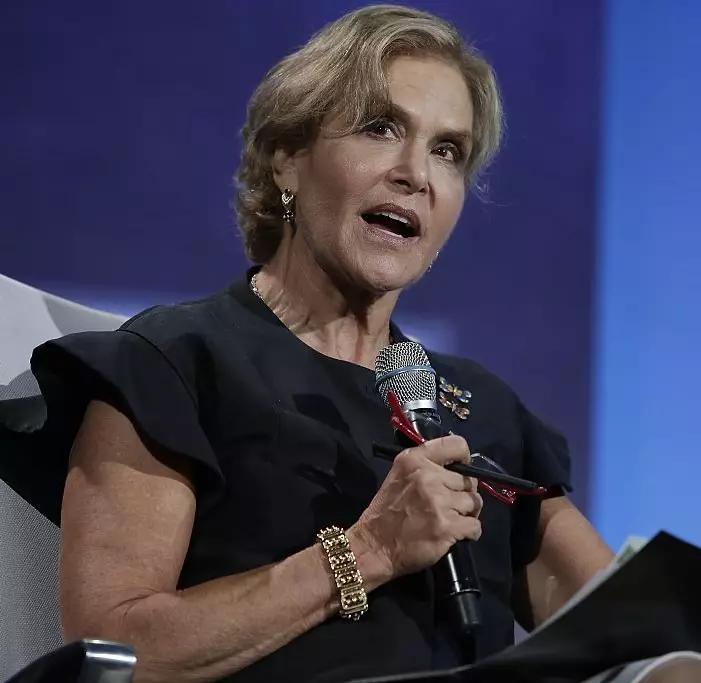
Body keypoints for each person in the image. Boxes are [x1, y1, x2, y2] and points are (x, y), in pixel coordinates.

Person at [28, 5, 615, 683]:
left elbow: (631, 632)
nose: (414, 173)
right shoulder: (176, 363)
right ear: (287, 158)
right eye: (379, 127)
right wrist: (366, 551)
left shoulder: (483, 410)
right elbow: (114, 649)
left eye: (446, 150)